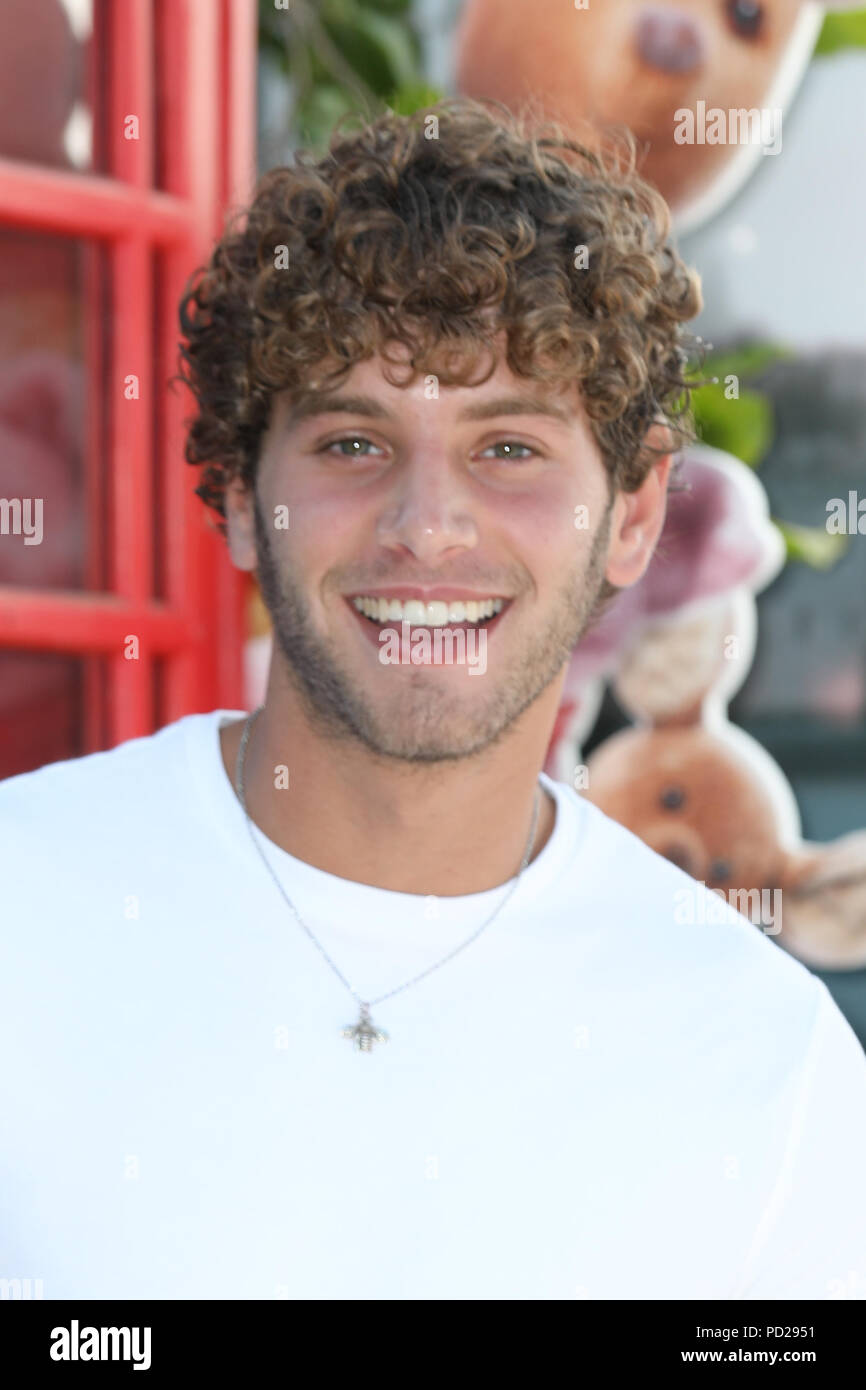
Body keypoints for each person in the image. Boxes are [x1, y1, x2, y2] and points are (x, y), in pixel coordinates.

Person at [1, 98, 864, 1301]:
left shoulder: (768, 1067)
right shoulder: (19, 912)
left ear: (631, 514)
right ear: (246, 499)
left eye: (507, 447)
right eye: (352, 442)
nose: (425, 527)